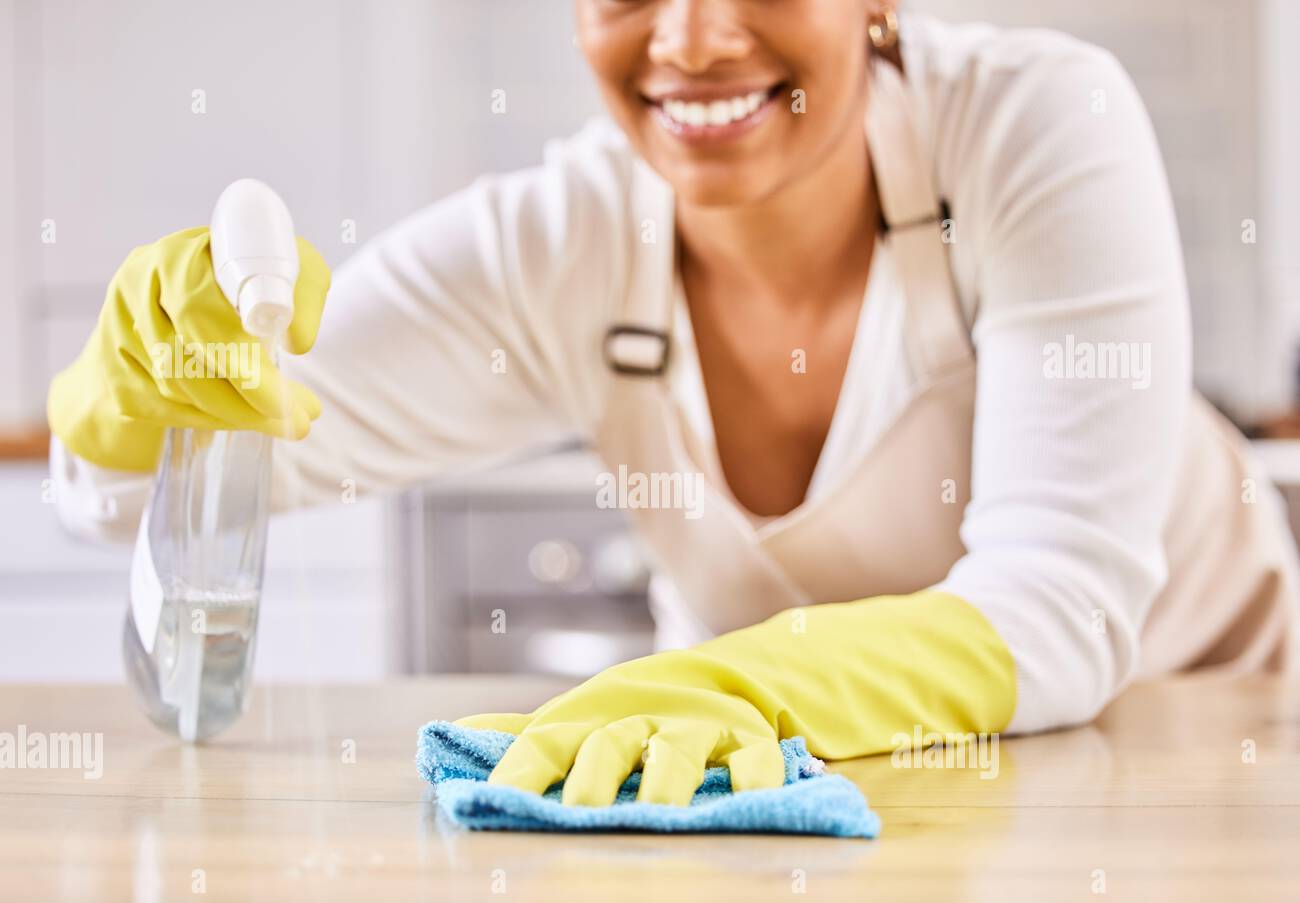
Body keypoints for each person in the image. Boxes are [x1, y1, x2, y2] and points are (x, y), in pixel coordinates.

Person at [46, 2, 1300, 807]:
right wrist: (138, 386)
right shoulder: (554, 243)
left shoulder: (1029, 125)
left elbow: (1060, 610)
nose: (692, 41)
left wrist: (750, 685)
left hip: (1204, 755)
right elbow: (135, 485)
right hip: (840, 795)